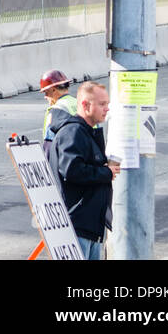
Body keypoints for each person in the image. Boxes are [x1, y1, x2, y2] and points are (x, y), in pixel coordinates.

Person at [46, 82, 120, 260]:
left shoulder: (83, 132)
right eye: (102, 104)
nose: (107, 109)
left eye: (107, 104)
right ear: (86, 105)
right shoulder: (73, 132)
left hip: (90, 227)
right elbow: (72, 170)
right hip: (78, 227)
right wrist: (106, 173)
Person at [39, 68, 78, 153]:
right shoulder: (82, 104)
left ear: (53, 89)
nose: (45, 97)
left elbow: (49, 145)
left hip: (67, 160)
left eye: (46, 92)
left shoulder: (55, 110)